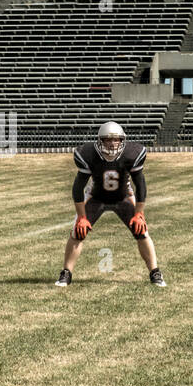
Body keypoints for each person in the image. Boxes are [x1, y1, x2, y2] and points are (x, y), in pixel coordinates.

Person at [56, 121, 165, 287]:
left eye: (116, 140)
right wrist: (82, 216)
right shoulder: (88, 154)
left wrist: (139, 213)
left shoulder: (132, 154)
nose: (112, 143)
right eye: (108, 140)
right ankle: (66, 273)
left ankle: (155, 272)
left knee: (141, 231)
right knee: (78, 231)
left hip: (123, 197)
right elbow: (78, 187)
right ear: (100, 141)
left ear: (123, 141)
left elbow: (140, 184)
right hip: (96, 197)